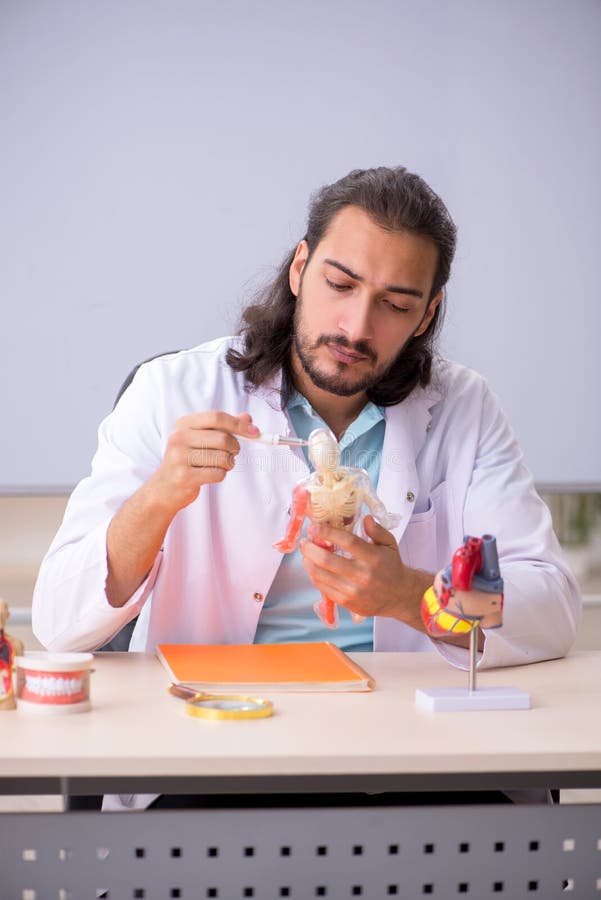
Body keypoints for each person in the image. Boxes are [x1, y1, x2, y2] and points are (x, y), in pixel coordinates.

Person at [32, 167, 580, 808]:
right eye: (339, 284)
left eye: (396, 304)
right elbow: (60, 624)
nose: (356, 327)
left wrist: (412, 597)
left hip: (417, 756)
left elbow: (550, 608)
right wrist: (156, 499)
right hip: (219, 751)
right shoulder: (172, 392)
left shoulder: (464, 408)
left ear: (427, 314)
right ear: (300, 269)